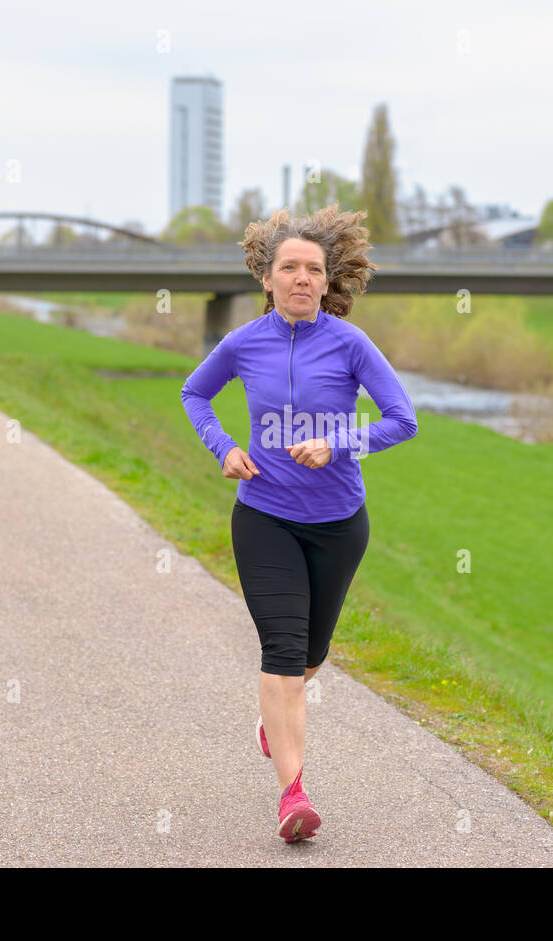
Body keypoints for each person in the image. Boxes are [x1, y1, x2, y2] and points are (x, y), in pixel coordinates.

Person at [180, 204, 418, 843]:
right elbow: (193, 394)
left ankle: (273, 720)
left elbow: (403, 419)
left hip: (339, 522)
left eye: (314, 269)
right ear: (267, 277)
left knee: (311, 657)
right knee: (283, 656)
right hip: (264, 517)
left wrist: (340, 443)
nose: (302, 278)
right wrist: (222, 447)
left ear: (326, 279)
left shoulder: (350, 344)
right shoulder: (242, 344)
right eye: (290, 267)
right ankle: (294, 794)